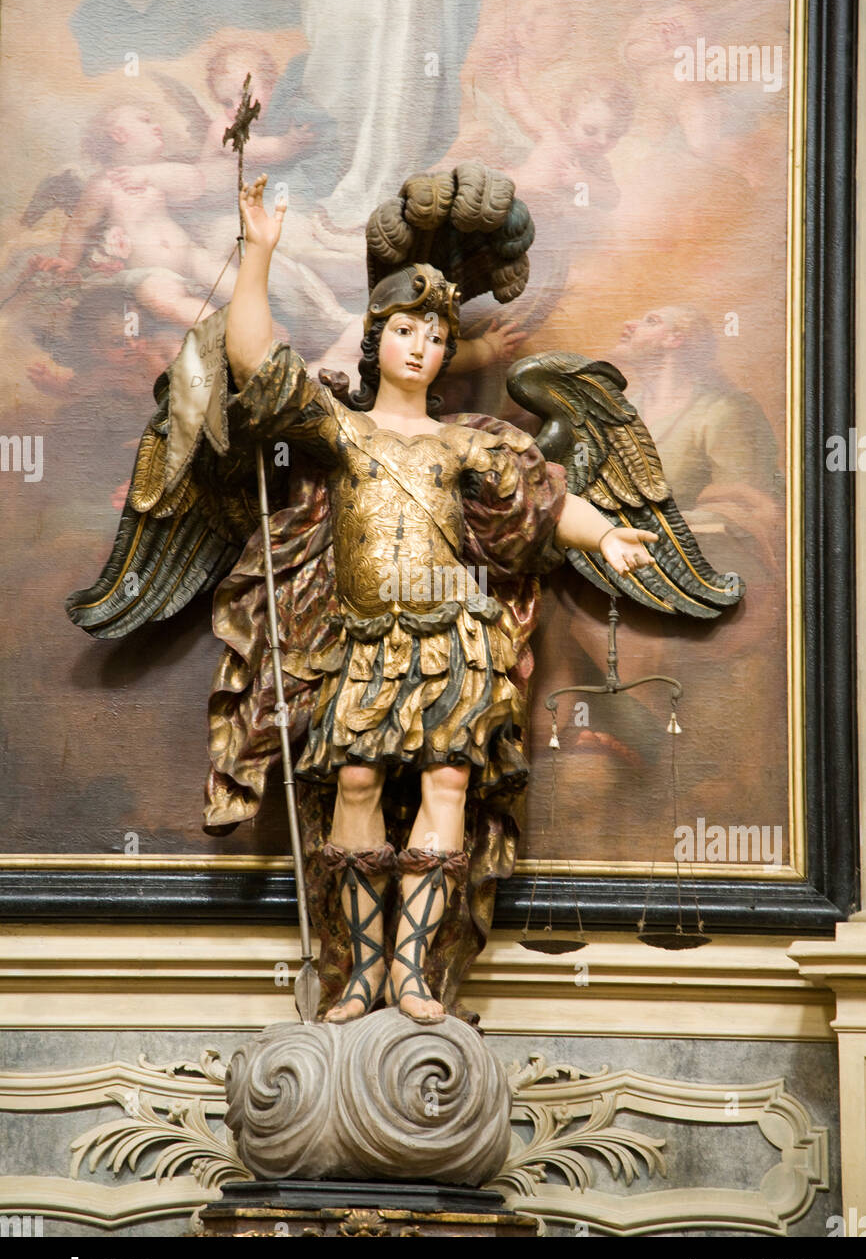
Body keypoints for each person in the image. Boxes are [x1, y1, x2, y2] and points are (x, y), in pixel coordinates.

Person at [220, 174, 657, 1025]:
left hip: (452, 633)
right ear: (378, 338)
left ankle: (416, 972)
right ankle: (360, 973)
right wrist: (258, 255)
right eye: (406, 331)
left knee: (448, 781)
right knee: (353, 779)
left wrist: (604, 535)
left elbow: (543, 502)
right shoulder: (342, 432)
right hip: (362, 637)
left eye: (435, 336)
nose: (421, 347)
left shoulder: (467, 442)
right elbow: (255, 365)